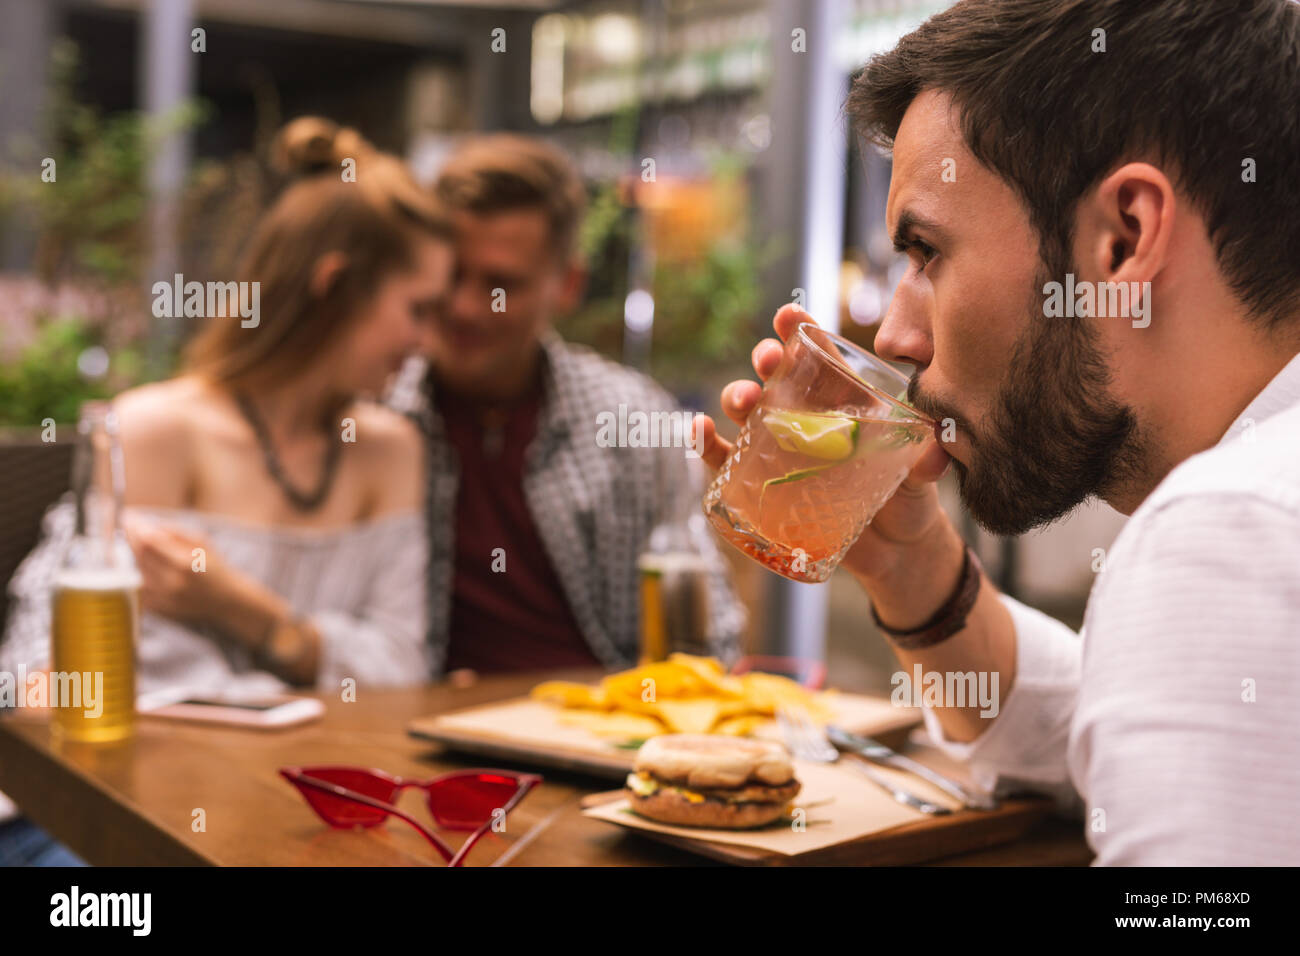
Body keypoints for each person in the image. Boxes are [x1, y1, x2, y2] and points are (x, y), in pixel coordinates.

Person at [697, 0, 1300, 866]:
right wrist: (913, 570)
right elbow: (1113, 734)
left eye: (927, 253)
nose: (898, 337)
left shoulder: (1227, 534)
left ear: (1123, 241)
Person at [0, 116, 454, 863]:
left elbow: (403, 671)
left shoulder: (391, 451)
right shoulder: (150, 429)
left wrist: (247, 613)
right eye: (418, 309)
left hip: (293, 816)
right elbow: (38, 671)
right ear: (334, 286)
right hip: (107, 822)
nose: (426, 343)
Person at [388, 134, 745, 675]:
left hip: (595, 730)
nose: (463, 307)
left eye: (499, 285)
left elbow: (703, 637)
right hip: (415, 736)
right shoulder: (376, 413)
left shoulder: (633, 418)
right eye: (453, 275)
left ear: (568, 284)